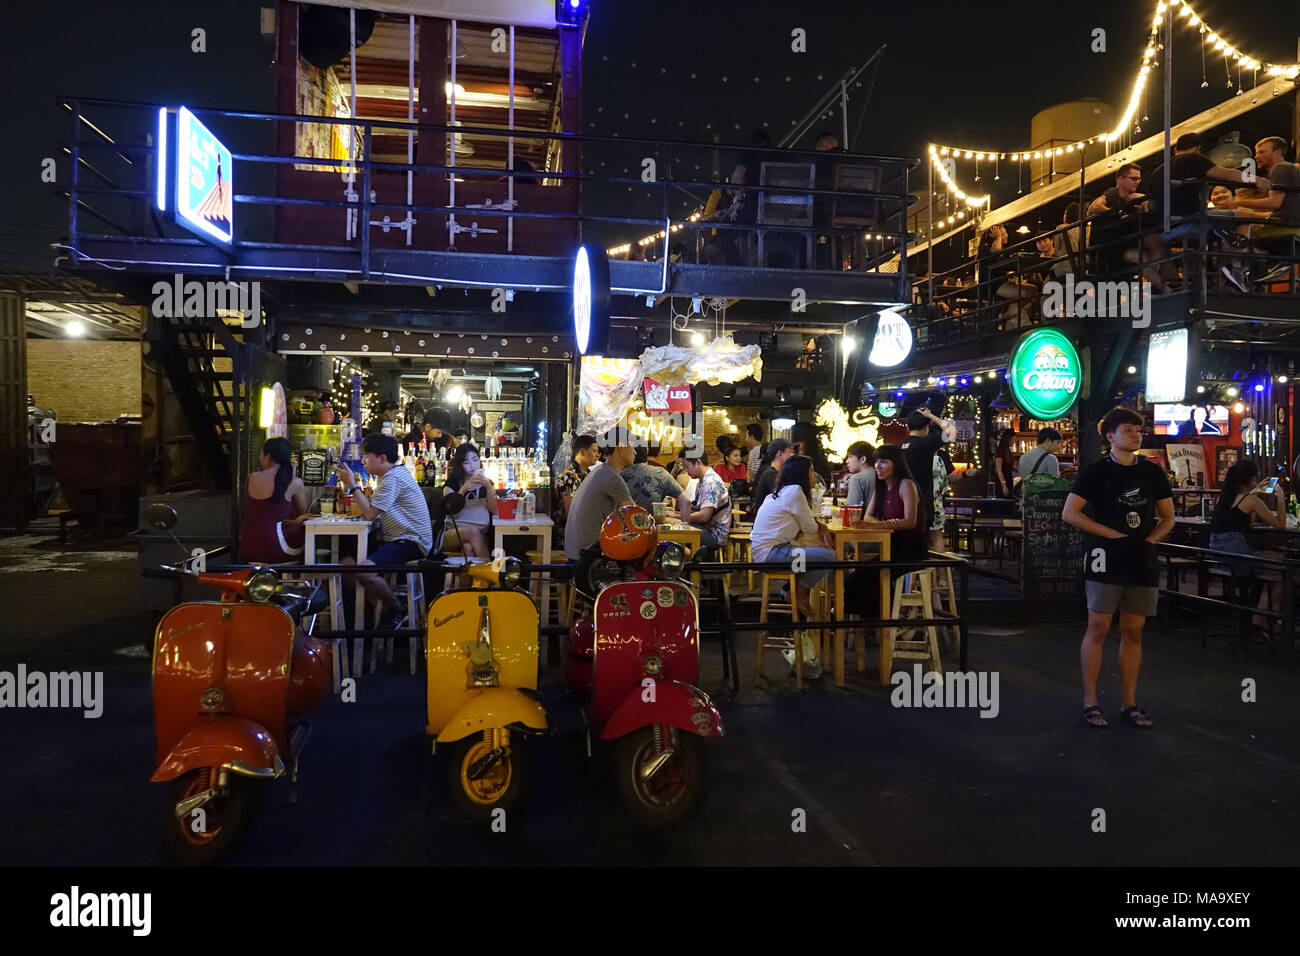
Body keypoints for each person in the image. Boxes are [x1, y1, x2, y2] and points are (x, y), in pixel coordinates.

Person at [1062, 406, 1174, 730]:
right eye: (1128, 430)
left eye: (1138, 430)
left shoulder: (1152, 473)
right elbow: (1071, 513)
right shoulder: (1097, 472)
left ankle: (1129, 702)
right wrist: (1111, 534)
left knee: (1133, 630)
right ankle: (1090, 701)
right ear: (1110, 437)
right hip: (1104, 557)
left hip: (1140, 558)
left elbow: (1168, 517)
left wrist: (1149, 540)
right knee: (1098, 627)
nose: (1136, 435)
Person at [337, 434, 434, 630]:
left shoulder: (393, 478)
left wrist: (352, 485)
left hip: (411, 541)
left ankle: (397, 608)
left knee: (363, 572)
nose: (363, 460)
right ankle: (379, 609)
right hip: (395, 539)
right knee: (345, 565)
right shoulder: (390, 476)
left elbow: (370, 514)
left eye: (367, 455)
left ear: (381, 458)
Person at [844, 445, 932, 619]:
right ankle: (881, 617)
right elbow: (868, 517)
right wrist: (880, 524)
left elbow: (910, 521)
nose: (877, 466)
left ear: (896, 464)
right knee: (859, 576)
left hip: (911, 550)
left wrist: (879, 525)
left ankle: (888, 618)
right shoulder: (881, 487)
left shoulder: (906, 484)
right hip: (891, 548)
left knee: (865, 575)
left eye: (883, 462)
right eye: (876, 461)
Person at [750, 455, 836, 617]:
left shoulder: (784, 491)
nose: (814, 474)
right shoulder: (795, 492)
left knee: (814, 555)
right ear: (801, 473)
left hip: (767, 552)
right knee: (829, 556)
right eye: (811, 470)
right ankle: (800, 594)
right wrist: (822, 527)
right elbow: (810, 528)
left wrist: (819, 525)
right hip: (772, 555)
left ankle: (788, 590)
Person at [1208, 460, 1287, 633]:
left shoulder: (1225, 496)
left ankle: (1257, 613)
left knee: (1269, 561)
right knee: (1283, 568)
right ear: (1251, 478)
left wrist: (1254, 493)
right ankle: (1263, 617)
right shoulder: (1250, 500)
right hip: (1236, 554)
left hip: (1217, 552)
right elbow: (1280, 524)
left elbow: (1244, 519)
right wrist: (1280, 496)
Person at [1221, 136, 1300, 290]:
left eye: (1262, 152)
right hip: (1290, 225)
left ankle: (1235, 271)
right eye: (1256, 153)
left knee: (1225, 235)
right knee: (1246, 227)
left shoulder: (1281, 168)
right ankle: (1264, 267)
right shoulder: (1292, 169)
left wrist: (1238, 202)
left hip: (1281, 227)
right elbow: (1279, 207)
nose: (1256, 156)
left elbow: (1274, 203)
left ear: (1277, 151)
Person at [1087, 163, 1168, 293]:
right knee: (1140, 256)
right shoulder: (1113, 193)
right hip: (1107, 250)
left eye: (1139, 179)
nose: (1137, 182)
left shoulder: (1131, 199)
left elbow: (1148, 208)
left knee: (1156, 241)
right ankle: (1163, 289)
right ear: (1120, 179)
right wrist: (1114, 212)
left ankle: (1154, 284)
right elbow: (1093, 207)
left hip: (1124, 243)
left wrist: (1143, 201)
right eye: (1133, 179)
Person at [240, 437, 309, 563]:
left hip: (248, 546)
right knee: (309, 536)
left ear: (268, 456)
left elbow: (254, 511)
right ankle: (299, 581)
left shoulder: (252, 478)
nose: (260, 457)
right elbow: (303, 512)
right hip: (279, 547)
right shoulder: (295, 482)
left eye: (261, 453)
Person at [564, 440, 636, 560]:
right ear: (621, 447)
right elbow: (634, 517)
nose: (635, 451)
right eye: (633, 445)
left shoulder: (600, 472)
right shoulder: (612, 477)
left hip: (575, 551)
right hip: (589, 556)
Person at [441, 443, 499, 558]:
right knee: (472, 532)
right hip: (453, 532)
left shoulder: (487, 483)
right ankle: (487, 573)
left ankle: (478, 575)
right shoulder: (451, 483)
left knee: (468, 549)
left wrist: (488, 487)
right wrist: (464, 488)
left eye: (475, 460)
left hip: (480, 534)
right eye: (466, 462)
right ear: (460, 465)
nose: (472, 465)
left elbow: (495, 511)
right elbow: (450, 508)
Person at [901, 407, 952, 521]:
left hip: (904, 500)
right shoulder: (925, 443)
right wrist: (930, 415)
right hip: (923, 499)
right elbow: (952, 431)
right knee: (924, 536)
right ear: (926, 428)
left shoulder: (902, 445)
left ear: (908, 427)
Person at [682, 450, 733, 555]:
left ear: (698, 462)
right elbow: (695, 511)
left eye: (687, 466)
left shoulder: (710, 482)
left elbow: (704, 516)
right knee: (675, 525)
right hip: (706, 528)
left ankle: (691, 565)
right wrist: (675, 515)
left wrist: (680, 517)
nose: (686, 471)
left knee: (677, 529)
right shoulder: (702, 481)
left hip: (714, 535)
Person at [622, 445, 691, 521]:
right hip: (652, 528)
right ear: (647, 451)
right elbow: (686, 502)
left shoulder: (618, 474)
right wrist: (685, 528)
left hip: (623, 528)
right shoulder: (660, 473)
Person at [555, 434, 599, 519]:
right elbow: (570, 513)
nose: (597, 455)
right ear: (582, 452)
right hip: (570, 528)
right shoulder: (570, 476)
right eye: (594, 451)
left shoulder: (587, 474)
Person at [748, 438, 793, 519]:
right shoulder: (770, 474)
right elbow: (784, 499)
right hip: (766, 524)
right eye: (789, 452)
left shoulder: (776, 473)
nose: (791, 456)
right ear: (779, 453)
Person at [843, 440, 876, 517]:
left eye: (850, 457)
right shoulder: (881, 475)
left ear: (863, 459)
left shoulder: (856, 479)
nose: (847, 461)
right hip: (884, 527)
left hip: (864, 527)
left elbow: (851, 513)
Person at [993, 428, 1016, 498]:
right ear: (1008, 439)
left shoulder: (1007, 450)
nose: (1014, 442)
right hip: (1002, 483)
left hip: (1008, 481)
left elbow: (1011, 467)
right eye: (1013, 439)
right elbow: (999, 469)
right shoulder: (1000, 450)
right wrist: (1004, 485)